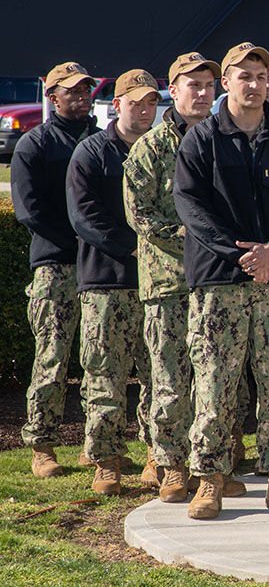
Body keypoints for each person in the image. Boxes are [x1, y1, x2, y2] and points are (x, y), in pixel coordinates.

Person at [174, 41, 269, 519]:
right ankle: (211, 481)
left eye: (261, 77)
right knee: (215, 385)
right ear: (228, 83)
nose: (254, 85)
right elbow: (191, 206)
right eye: (244, 76)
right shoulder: (201, 140)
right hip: (220, 283)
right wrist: (242, 255)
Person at [123, 52, 246, 503]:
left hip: (217, 282)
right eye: (193, 85)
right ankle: (172, 466)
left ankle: (213, 466)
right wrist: (206, 240)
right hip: (170, 283)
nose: (203, 93)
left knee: (217, 379)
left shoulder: (225, 141)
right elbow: (143, 219)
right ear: (173, 91)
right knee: (170, 380)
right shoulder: (151, 148)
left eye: (209, 85)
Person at [66, 69, 159, 495]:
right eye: (136, 102)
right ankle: (106, 460)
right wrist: (135, 247)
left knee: (162, 375)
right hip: (106, 282)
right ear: (117, 104)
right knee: (105, 375)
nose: (144, 110)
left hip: (158, 285)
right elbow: (85, 216)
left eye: (151, 103)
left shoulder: (162, 151)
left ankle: (160, 455)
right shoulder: (91, 153)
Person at [12, 61, 100, 478]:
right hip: (56, 267)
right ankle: (42, 445)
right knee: (53, 357)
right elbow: (30, 212)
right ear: (52, 96)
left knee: (100, 361)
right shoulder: (35, 144)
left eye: (86, 90)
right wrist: (79, 241)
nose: (81, 97)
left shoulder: (102, 141)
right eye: (72, 91)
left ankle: (94, 444)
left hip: (99, 269)